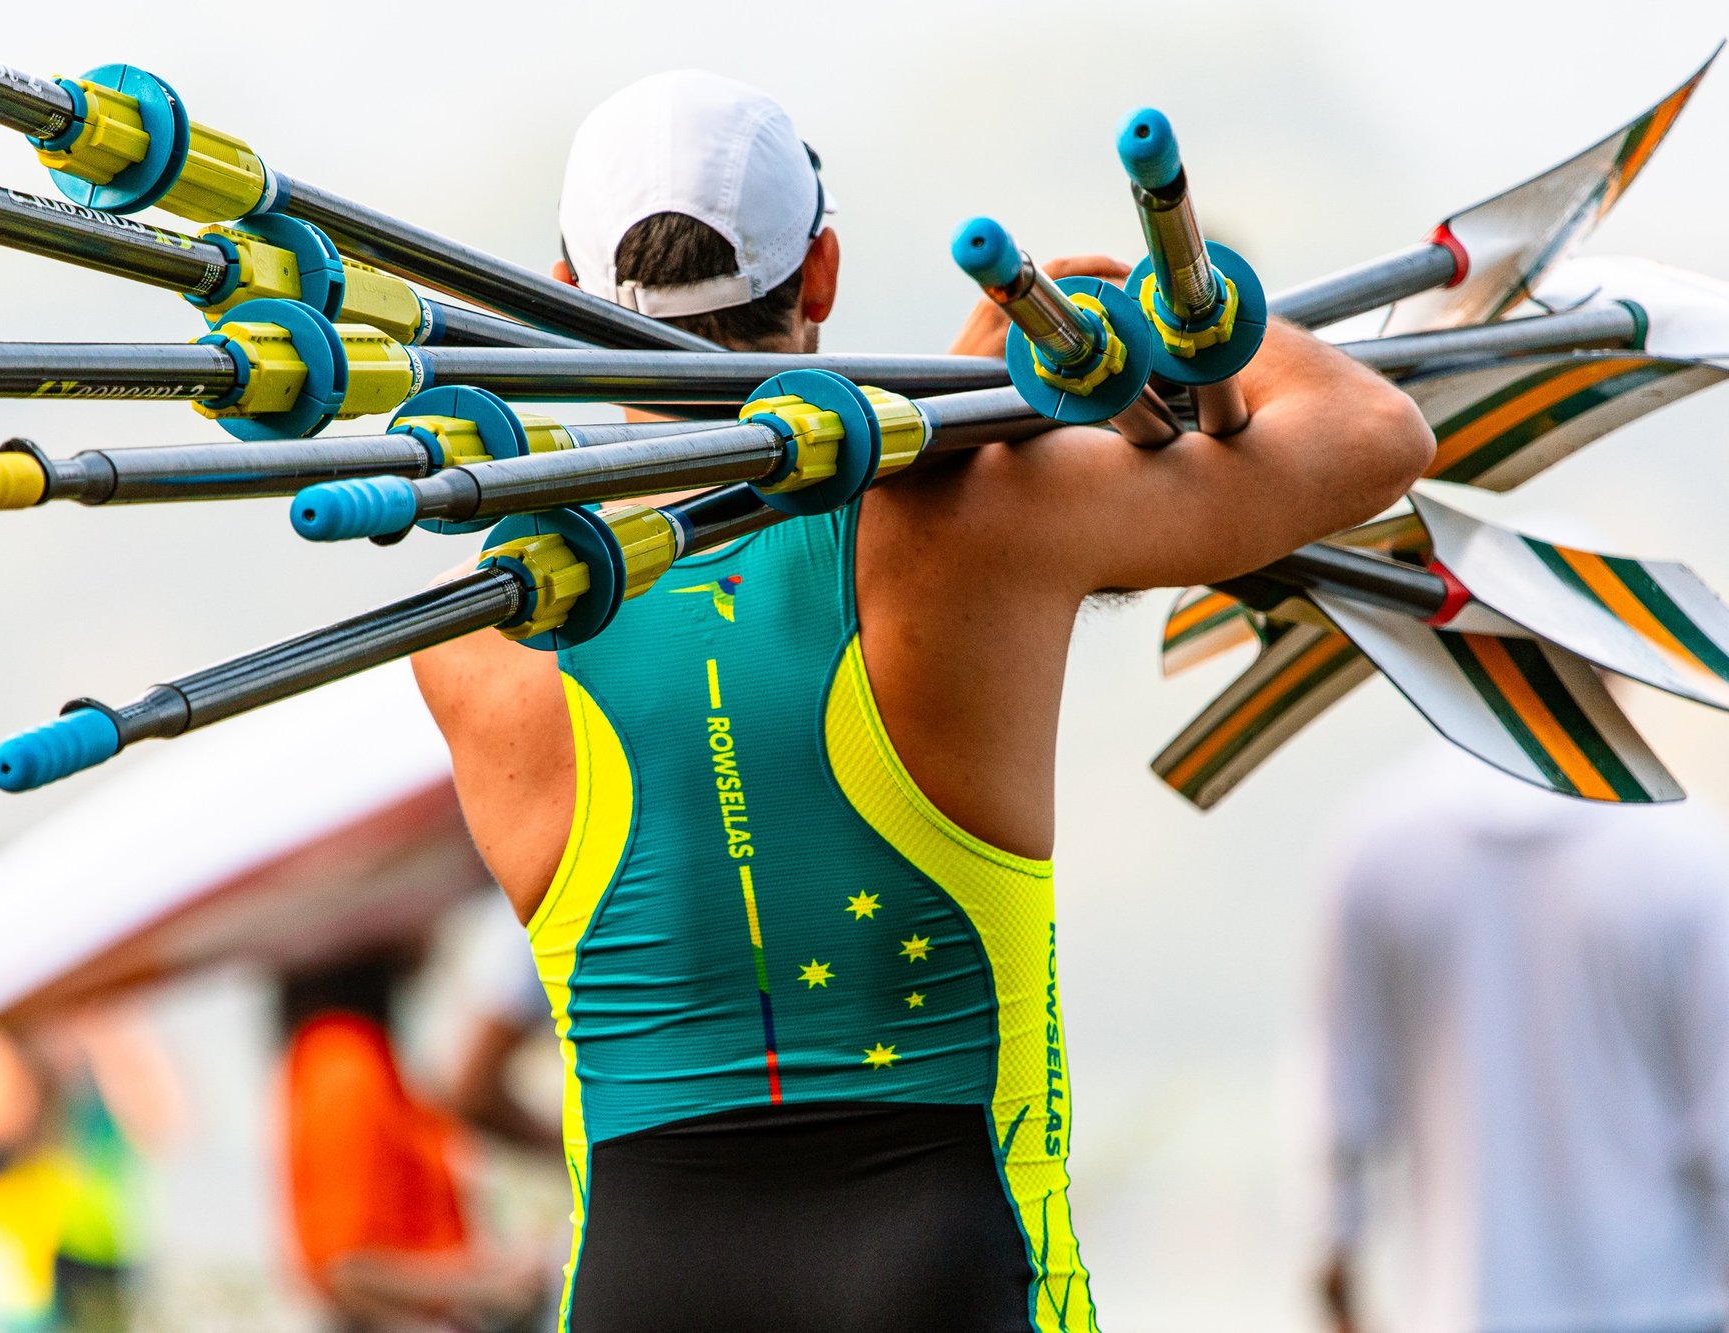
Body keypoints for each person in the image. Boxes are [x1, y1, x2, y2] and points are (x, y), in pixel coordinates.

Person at [416, 69, 1433, 1332]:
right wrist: (1156, 294)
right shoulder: (984, 518)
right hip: (939, 1256)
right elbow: (1371, 431)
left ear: (563, 296)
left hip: (637, 1277)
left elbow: (737, 591)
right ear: (823, 273)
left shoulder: (476, 633)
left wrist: (954, 406)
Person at [1317, 744, 1729, 1333]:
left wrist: (1336, 1267)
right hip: (1662, 1304)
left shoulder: (1382, 844)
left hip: (1456, 1305)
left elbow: (1341, 1105)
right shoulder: (1690, 855)